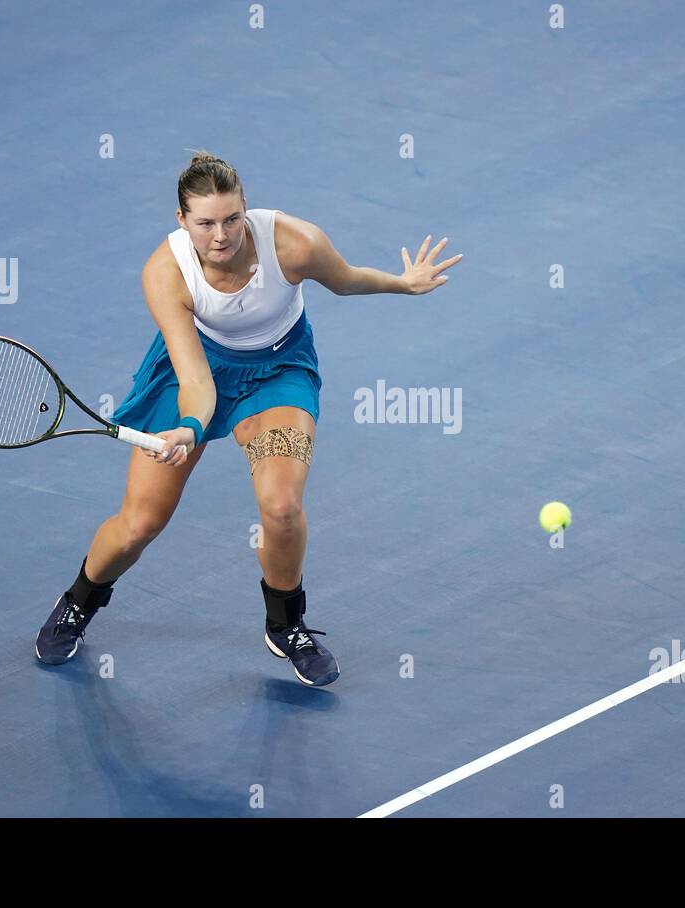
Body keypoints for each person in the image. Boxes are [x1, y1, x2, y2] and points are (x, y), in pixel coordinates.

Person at [34, 151, 463, 685]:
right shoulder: (165, 274)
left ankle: (285, 624)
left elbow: (347, 279)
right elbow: (196, 383)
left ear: (246, 211)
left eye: (232, 219)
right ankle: (79, 601)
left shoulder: (294, 244)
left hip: (279, 370)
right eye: (205, 223)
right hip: (196, 372)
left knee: (281, 506)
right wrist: (189, 429)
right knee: (140, 523)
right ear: (181, 221)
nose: (220, 235)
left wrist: (405, 283)